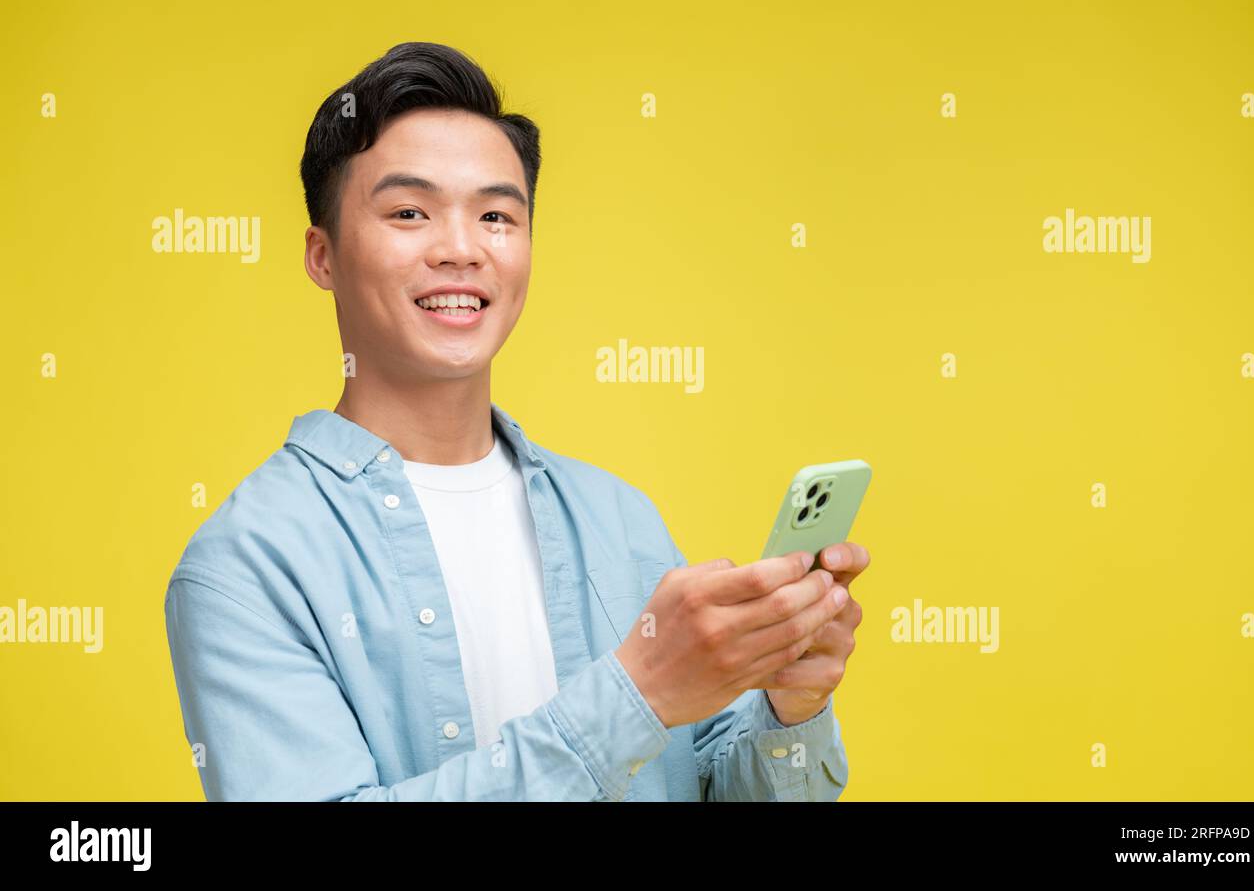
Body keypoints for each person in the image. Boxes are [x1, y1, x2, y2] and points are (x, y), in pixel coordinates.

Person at [163, 41, 868, 801]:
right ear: (322, 255)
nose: (462, 249)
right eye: (409, 212)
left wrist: (789, 711)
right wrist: (637, 697)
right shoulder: (244, 568)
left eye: (497, 215)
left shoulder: (619, 519)